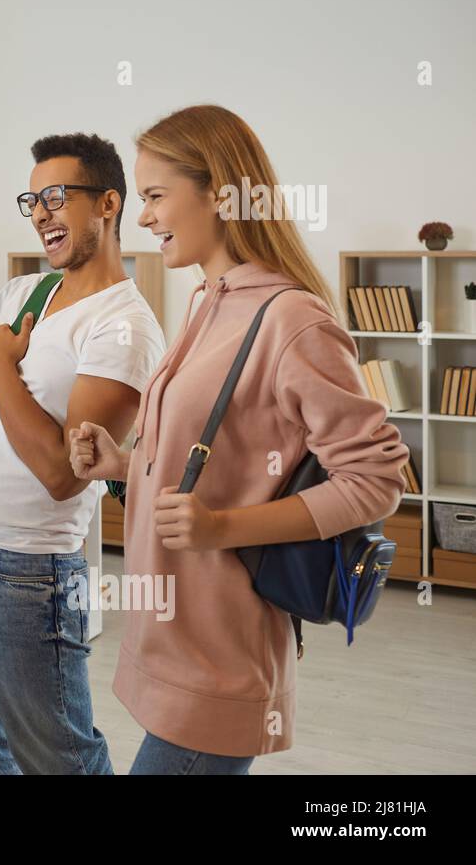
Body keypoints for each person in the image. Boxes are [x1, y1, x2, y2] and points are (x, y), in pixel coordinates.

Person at [70, 104, 408, 774]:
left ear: (221, 193)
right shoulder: (207, 301)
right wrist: (123, 464)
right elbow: (218, 458)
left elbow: (376, 483)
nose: (142, 217)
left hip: (219, 661)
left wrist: (222, 526)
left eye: (157, 196)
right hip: (170, 642)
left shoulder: (293, 321)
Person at [0, 132, 165, 774]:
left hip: (26, 574)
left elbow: (62, 474)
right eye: (35, 200)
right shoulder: (28, 293)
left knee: (60, 761)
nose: (43, 212)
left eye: (58, 196)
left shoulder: (124, 326)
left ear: (108, 204)